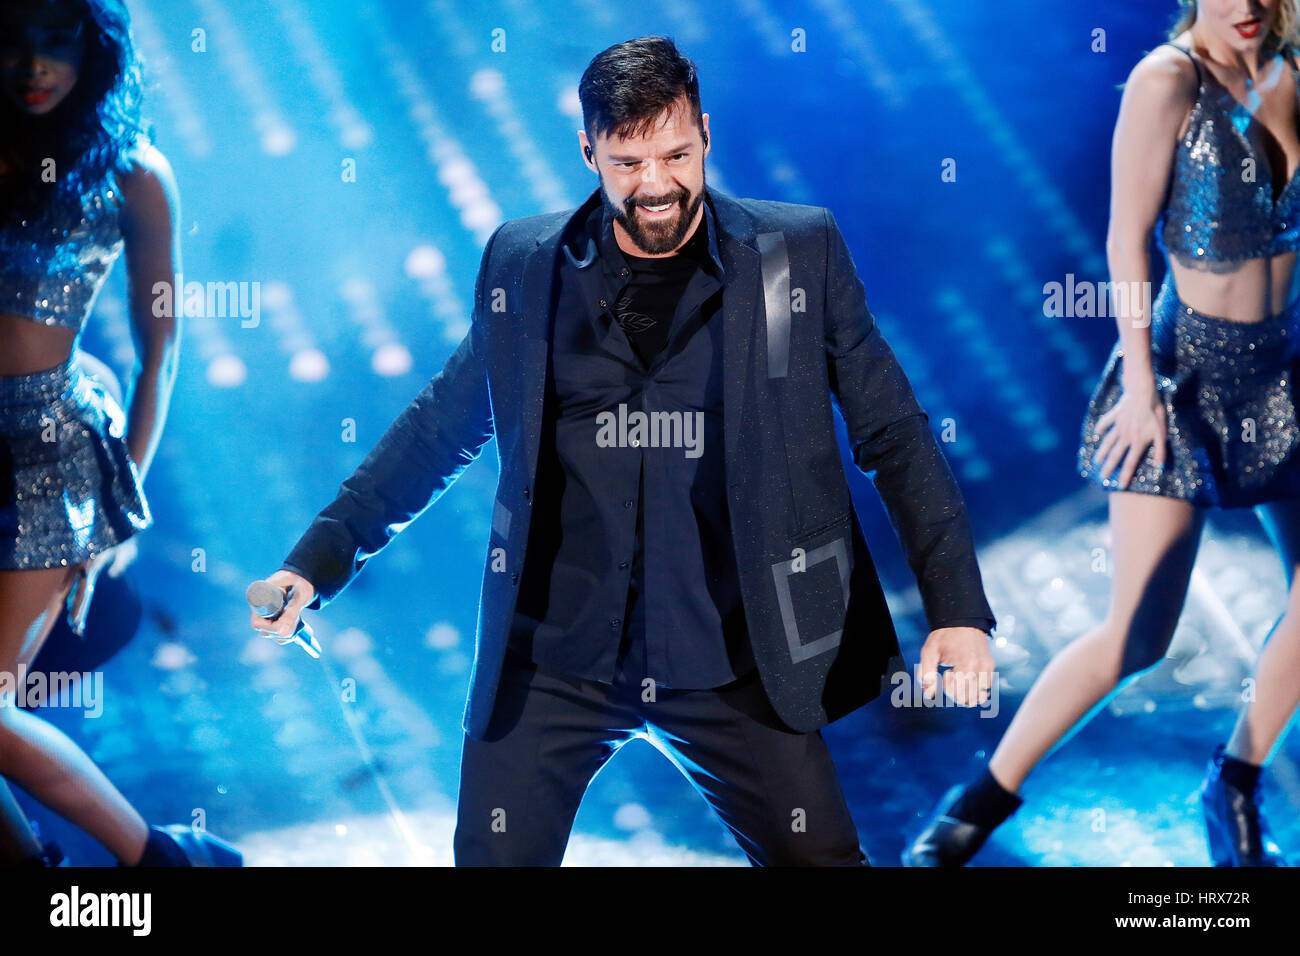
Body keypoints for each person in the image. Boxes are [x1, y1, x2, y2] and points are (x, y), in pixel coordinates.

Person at [255, 35, 997, 867]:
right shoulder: (527, 265)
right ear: (588, 152)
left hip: (734, 656)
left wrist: (958, 612)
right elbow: (439, 429)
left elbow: (893, 435)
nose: (655, 185)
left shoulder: (795, 256)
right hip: (555, 661)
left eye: (676, 154)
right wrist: (314, 562)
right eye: (627, 161)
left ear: (706, 135)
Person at [904, 0, 1300, 867]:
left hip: (1282, 374)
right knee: (1137, 635)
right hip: (1181, 373)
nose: (1249, 6)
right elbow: (1127, 240)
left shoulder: (1290, 78)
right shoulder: (1168, 81)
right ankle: (977, 804)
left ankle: (1232, 784)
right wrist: (1140, 384)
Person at [0, 0, 239, 867]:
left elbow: (161, 351)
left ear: (94, 50)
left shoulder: (134, 174)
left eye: (56, 42)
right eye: (16, 41)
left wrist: (120, 512)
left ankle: (165, 861)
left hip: (50, 463)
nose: (34, 66)